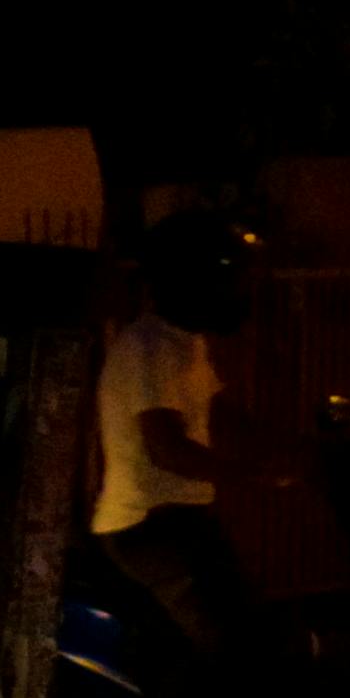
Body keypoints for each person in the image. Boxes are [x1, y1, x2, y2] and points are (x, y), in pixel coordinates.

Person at [85, 205, 266, 664]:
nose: (238, 291)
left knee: (251, 628)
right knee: (222, 646)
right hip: (146, 525)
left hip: (184, 518)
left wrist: (300, 447)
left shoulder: (185, 342)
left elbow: (218, 410)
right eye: (227, 279)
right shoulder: (149, 347)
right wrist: (254, 474)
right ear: (192, 280)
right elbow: (167, 448)